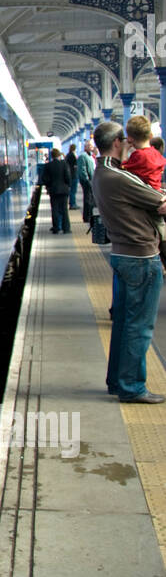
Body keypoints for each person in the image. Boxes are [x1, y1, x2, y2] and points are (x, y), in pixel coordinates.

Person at [91, 120, 166, 403]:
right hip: (141, 257)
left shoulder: (102, 173)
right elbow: (159, 200)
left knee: (124, 323)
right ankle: (133, 387)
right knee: (140, 326)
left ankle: (117, 381)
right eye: (125, 140)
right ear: (117, 142)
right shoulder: (119, 176)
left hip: (122, 256)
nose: (130, 144)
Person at [122, 115, 166, 190]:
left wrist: (125, 149)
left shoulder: (138, 155)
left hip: (144, 194)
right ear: (151, 135)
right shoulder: (156, 154)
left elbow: (123, 170)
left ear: (130, 139)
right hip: (156, 193)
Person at [42, 147, 71, 233]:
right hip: (64, 190)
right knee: (64, 210)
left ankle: (56, 228)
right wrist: (68, 185)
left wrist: (49, 186)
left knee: (54, 209)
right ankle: (66, 229)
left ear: (52, 156)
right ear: (59, 155)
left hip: (53, 190)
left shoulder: (48, 165)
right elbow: (68, 177)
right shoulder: (64, 164)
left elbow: (44, 178)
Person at [77, 139, 95, 225]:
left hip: (92, 180)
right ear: (86, 147)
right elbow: (82, 169)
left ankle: (89, 215)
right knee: (87, 199)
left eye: (92, 146)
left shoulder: (91, 156)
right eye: (90, 146)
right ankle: (86, 216)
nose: (92, 147)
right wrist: (87, 179)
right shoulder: (83, 156)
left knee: (90, 198)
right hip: (87, 181)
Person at [67, 143, 79, 208]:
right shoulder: (72, 155)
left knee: (71, 190)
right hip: (73, 175)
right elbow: (75, 165)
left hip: (70, 175)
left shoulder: (68, 155)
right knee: (73, 190)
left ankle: (72, 203)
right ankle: (73, 204)